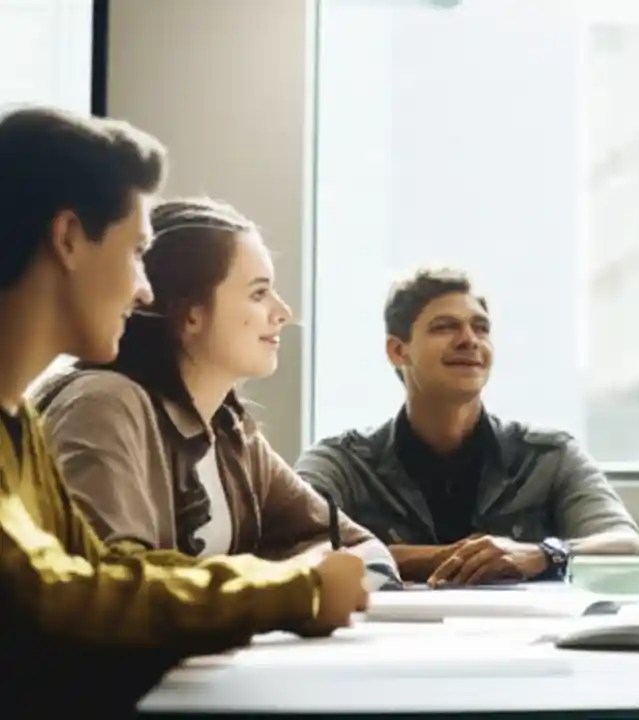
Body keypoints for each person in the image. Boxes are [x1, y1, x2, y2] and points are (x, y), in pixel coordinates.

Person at [0, 107, 367, 713]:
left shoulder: (21, 424)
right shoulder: (95, 403)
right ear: (68, 238)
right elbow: (54, 598)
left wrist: (292, 585)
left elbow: (103, 566)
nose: (147, 290)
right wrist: (293, 591)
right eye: (138, 252)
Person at [32, 197, 400, 591]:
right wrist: (288, 587)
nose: (283, 312)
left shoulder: (229, 430)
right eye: (259, 294)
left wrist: (304, 582)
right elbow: (113, 589)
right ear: (191, 313)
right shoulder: (102, 404)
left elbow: (362, 549)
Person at [297, 267, 639, 586]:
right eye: (444, 327)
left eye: (481, 327)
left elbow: (624, 543)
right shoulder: (343, 462)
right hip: (381, 647)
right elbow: (290, 542)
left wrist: (542, 554)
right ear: (398, 351)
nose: (469, 340)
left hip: (521, 646)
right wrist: (449, 558)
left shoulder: (549, 456)